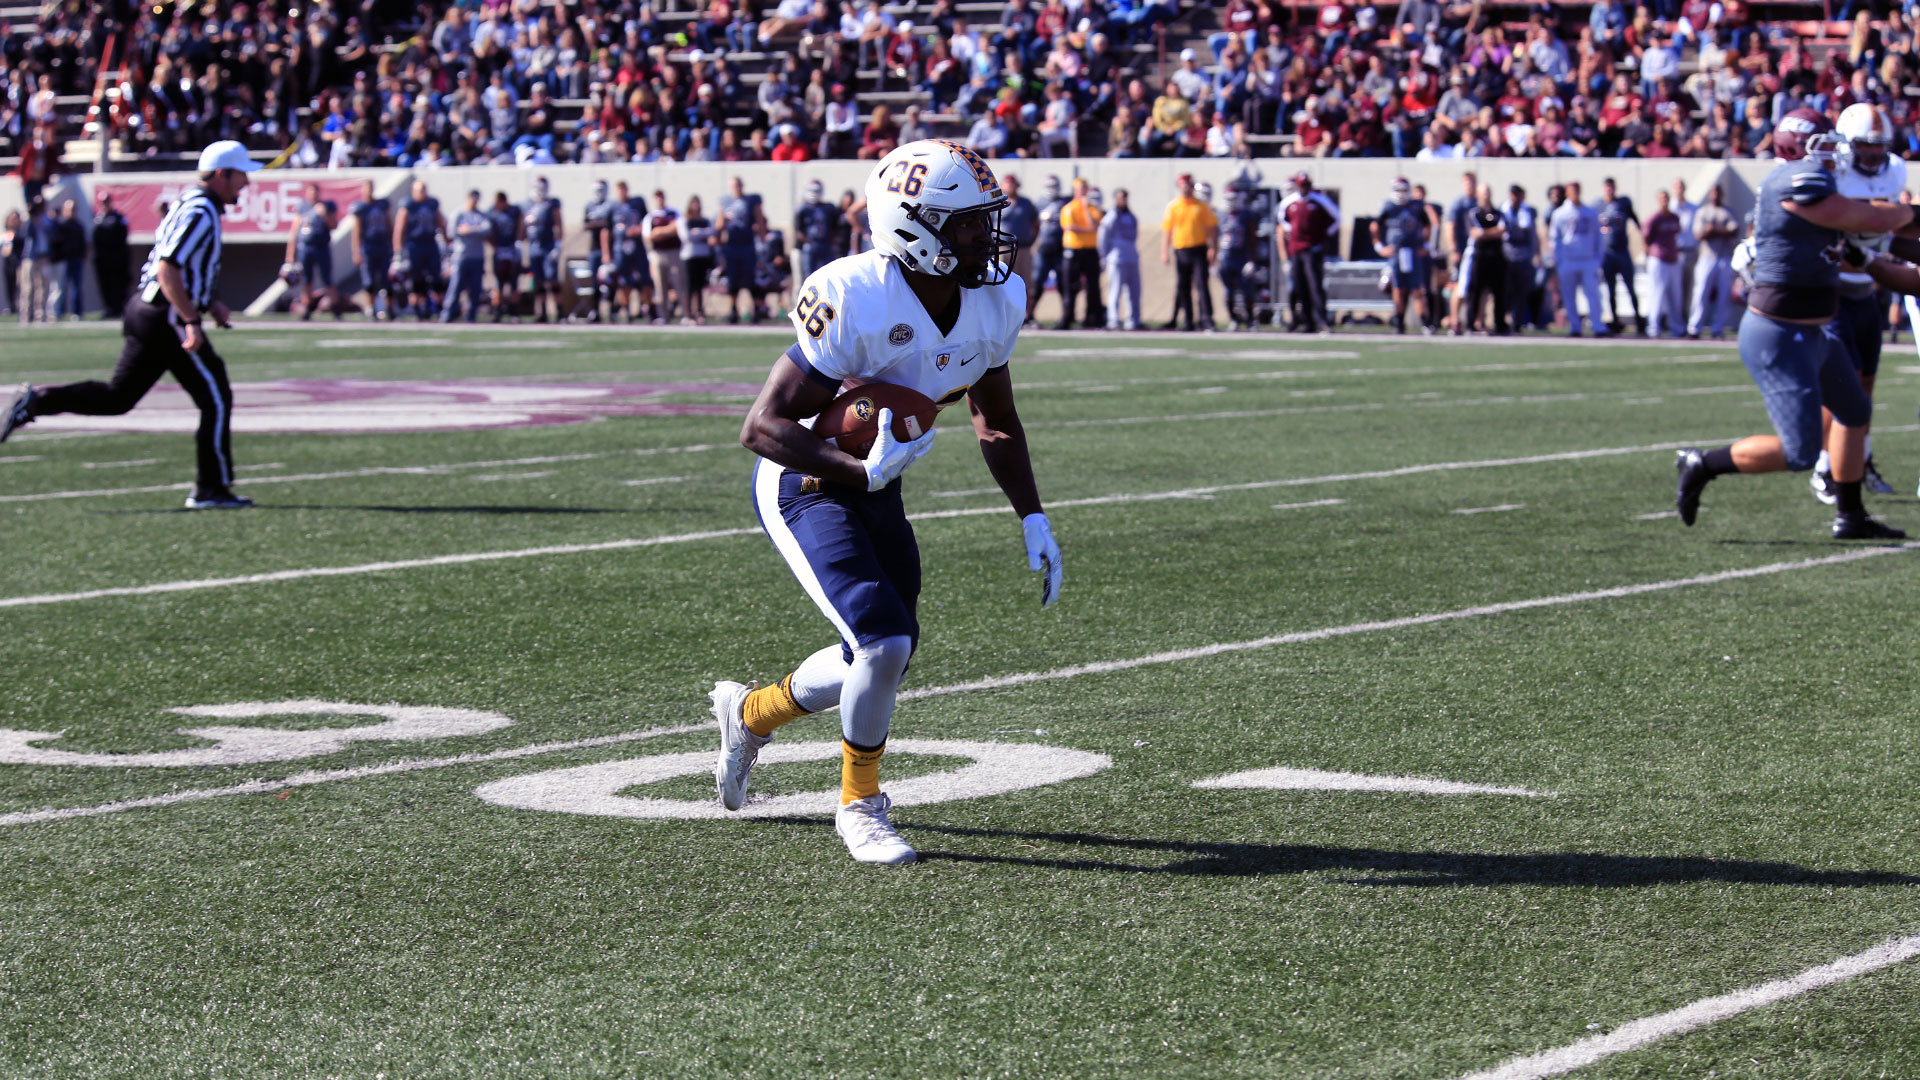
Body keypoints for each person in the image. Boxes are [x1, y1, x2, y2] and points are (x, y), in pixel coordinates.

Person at [712, 139, 1060, 865]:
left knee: (880, 653)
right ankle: (859, 805)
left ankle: (752, 714)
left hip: (876, 479)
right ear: (913, 226)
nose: (982, 236)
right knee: (884, 640)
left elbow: (993, 418)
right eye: (963, 223)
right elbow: (762, 426)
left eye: (983, 219)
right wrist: (857, 471)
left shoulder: (995, 300)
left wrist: (1032, 513)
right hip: (806, 480)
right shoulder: (856, 295)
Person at [1674, 130, 1913, 541]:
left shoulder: (1824, 194)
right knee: (1800, 452)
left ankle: (1851, 515)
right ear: (1793, 149)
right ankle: (1701, 463)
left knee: (1855, 411)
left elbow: (1868, 227)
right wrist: (1906, 216)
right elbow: (1872, 219)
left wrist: (1874, 247)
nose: (1835, 156)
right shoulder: (1793, 181)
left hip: (1815, 334)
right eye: (1821, 146)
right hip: (1780, 334)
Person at [2, 141, 260, 510]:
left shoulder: (192, 203)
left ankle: (36, 401)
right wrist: (191, 320)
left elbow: (177, 266)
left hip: (147, 310)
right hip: (164, 316)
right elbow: (167, 268)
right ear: (222, 175)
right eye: (241, 175)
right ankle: (211, 488)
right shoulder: (201, 211)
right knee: (215, 396)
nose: (246, 184)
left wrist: (209, 302)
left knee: (118, 397)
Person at [1814, 103, 1908, 501]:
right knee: (1842, 385)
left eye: (1878, 146)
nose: (1872, 155)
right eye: (1864, 146)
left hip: (1869, 284)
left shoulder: (1896, 168)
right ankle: (1824, 465)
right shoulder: (1831, 171)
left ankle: (1860, 457)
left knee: (1866, 382)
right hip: (1833, 287)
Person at [1278, 172, 1337, 334]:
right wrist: (1292, 232)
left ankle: (1322, 321)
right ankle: (1307, 322)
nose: (1303, 188)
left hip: (1312, 250)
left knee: (1315, 286)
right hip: (1296, 250)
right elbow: (1282, 220)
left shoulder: (1319, 201)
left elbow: (1336, 218)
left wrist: (1323, 236)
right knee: (1299, 287)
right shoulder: (1289, 202)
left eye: (1306, 185)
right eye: (1300, 185)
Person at [1374, 179, 1431, 336]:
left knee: (1416, 289)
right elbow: (1374, 226)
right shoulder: (1388, 206)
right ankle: (1399, 323)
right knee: (1398, 289)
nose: (1401, 194)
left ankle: (1424, 323)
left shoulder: (1416, 206)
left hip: (1412, 251)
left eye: (1404, 190)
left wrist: (1425, 245)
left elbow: (1428, 224)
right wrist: (1379, 247)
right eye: (1398, 190)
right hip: (1396, 252)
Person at [1550, 181, 1607, 337]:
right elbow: (1555, 239)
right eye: (1571, 191)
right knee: (1569, 296)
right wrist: (1558, 261)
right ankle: (1575, 327)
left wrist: (1597, 260)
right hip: (1568, 259)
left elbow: (1598, 237)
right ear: (1567, 193)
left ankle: (1597, 325)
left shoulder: (1590, 212)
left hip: (1587, 259)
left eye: (1577, 190)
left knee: (1593, 294)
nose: (1575, 193)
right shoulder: (1560, 214)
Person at [1161, 173, 1217, 331]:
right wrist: (1164, 250)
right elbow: (1167, 230)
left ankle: (1206, 318)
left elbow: (1211, 228)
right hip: (1181, 249)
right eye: (1183, 184)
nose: (1186, 187)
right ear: (1179, 186)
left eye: (1189, 184)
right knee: (1183, 286)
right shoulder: (1174, 206)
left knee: (1202, 284)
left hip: (1199, 248)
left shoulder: (1201, 206)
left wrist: (1212, 247)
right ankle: (1188, 319)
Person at [1688, 185, 1740, 341]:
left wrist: (1714, 229)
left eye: (1718, 192)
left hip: (1724, 257)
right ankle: (1694, 327)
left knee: (1724, 294)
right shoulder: (1703, 212)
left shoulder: (1727, 212)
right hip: (1706, 256)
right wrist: (1717, 230)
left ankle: (1718, 328)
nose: (1715, 195)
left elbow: (1734, 230)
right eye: (1713, 192)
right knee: (1701, 292)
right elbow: (1699, 234)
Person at [392, 178, 448, 320]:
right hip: (414, 245)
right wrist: (398, 251)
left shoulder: (432, 204)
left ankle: (439, 308)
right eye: (420, 189)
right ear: (414, 191)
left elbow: (441, 223)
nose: (423, 192)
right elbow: (399, 228)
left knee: (436, 278)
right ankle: (418, 308)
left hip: (430, 243)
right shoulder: (408, 205)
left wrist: (448, 243)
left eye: (424, 189)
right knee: (416, 279)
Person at [284, 183, 338, 320]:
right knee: (306, 280)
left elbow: (334, 225)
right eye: (310, 191)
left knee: (327, 279)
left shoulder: (325, 207)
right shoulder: (302, 208)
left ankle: (336, 308)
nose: (313, 194)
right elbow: (294, 231)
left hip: (321, 247)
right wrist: (290, 254)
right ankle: (307, 308)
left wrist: (324, 214)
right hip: (306, 247)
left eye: (315, 191)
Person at [1597, 177, 1644, 335]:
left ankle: (1639, 320)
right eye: (1607, 187)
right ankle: (1615, 321)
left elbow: (1635, 219)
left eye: (1611, 187)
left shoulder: (1623, 203)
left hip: (1622, 250)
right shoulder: (1597, 205)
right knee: (1611, 289)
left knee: (1630, 287)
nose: (1609, 190)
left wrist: (1644, 237)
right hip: (1607, 252)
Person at [1460, 184, 1507, 335]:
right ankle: (1470, 323)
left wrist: (1486, 233)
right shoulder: (1474, 213)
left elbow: (1503, 230)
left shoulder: (1498, 213)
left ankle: (1500, 324)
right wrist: (1493, 232)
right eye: (1483, 192)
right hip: (1480, 256)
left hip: (1497, 256)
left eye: (1488, 191)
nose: (1486, 194)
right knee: (1475, 290)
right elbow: (1476, 233)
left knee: (1499, 291)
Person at [1216, 179, 1262, 332]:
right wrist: (1214, 260)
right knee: (1228, 292)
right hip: (1225, 257)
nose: (1231, 202)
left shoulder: (1246, 215)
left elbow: (1252, 239)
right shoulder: (1219, 215)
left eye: (1234, 198)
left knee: (1247, 291)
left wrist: (1252, 260)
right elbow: (1214, 237)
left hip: (1242, 257)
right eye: (1228, 199)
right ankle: (1234, 319)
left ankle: (1250, 320)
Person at [718, 175, 765, 323]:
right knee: (733, 279)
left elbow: (760, 219)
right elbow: (719, 224)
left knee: (750, 278)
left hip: (747, 244)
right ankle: (733, 310)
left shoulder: (751, 200)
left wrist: (762, 241)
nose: (736, 188)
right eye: (733, 185)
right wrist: (719, 236)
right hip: (732, 245)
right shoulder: (725, 201)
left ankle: (756, 309)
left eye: (738, 185)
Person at [606, 180, 655, 323]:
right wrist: (606, 252)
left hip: (638, 247)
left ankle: (648, 308)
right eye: (619, 189)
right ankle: (625, 308)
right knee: (623, 280)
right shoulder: (613, 207)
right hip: (620, 248)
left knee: (645, 279)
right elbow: (607, 230)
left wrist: (639, 230)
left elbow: (647, 221)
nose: (622, 192)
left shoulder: (638, 202)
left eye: (624, 189)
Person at [1057, 177, 1102, 330]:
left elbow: (1094, 225)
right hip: (1073, 249)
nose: (1083, 192)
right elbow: (1070, 227)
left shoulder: (1093, 208)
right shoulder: (1069, 208)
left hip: (1090, 250)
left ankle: (1092, 318)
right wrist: (1087, 229)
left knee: (1093, 286)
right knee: (1070, 286)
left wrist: (1085, 208)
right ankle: (1067, 318)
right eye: (1080, 188)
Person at [347, 180, 395, 321]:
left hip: (382, 246)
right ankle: (372, 309)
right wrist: (356, 251)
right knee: (369, 281)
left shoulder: (381, 205)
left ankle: (389, 309)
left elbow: (389, 225)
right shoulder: (360, 208)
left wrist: (392, 245)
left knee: (386, 280)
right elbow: (356, 231)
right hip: (368, 247)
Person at [1642, 189, 1685, 338]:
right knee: (1657, 294)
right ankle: (1654, 327)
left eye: (1666, 198)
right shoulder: (1655, 218)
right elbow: (1646, 237)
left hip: (1673, 259)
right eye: (1661, 198)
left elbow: (1678, 235)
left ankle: (1677, 327)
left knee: (1675, 296)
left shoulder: (1674, 217)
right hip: (1659, 259)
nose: (1664, 201)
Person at [442, 189, 490, 323]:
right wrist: (476, 230)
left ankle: (471, 314)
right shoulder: (459, 213)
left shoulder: (481, 215)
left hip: (477, 256)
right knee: (456, 286)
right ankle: (448, 313)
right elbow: (452, 232)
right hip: (461, 256)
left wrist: (469, 230)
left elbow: (487, 229)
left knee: (475, 288)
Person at [522, 177, 565, 323]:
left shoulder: (552, 203)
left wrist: (558, 243)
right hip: (534, 246)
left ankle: (560, 313)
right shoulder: (527, 204)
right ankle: (543, 313)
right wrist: (520, 243)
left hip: (548, 246)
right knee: (538, 281)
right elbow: (522, 227)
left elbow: (558, 223)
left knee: (552, 280)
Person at [1099, 187, 1142, 330]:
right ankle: (1113, 320)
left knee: (1134, 291)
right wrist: (1103, 256)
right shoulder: (1111, 216)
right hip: (1116, 258)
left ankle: (1133, 320)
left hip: (1131, 257)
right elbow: (1103, 236)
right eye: (1120, 197)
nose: (1123, 200)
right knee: (1115, 289)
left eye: (1125, 197)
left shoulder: (1131, 216)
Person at [1500, 185, 1540, 334]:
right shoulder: (1502, 210)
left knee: (1521, 291)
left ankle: (1517, 322)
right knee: (1507, 291)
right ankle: (1504, 320)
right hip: (1507, 256)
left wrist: (1536, 253)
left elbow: (1533, 234)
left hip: (1523, 256)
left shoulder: (1528, 212)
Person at [1031, 175, 1068, 327]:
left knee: (1063, 284)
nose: (1052, 189)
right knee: (1037, 283)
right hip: (1043, 249)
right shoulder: (1039, 203)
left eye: (1054, 185)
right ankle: (1029, 315)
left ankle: (1066, 318)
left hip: (1060, 248)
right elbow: (1033, 225)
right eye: (1049, 186)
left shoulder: (1065, 202)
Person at [646, 190, 687, 324]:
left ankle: (685, 314)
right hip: (658, 253)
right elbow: (648, 236)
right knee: (660, 286)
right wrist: (667, 231)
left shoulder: (673, 213)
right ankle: (664, 315)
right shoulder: (651, 217)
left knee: (679, 283)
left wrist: (660, 231)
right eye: (657, 198)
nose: (659, 200)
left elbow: (678, 228)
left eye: (661, 197)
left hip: (674, 252)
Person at [581, 180, 617, 322]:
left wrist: (597, 224)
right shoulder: (589, 206)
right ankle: (595, 310)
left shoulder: (611, 206)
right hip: (594, 248)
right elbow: (585, 225)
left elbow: (609, 225)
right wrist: (600, 223)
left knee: (610, 281)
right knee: (595, 282)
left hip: (610, 249)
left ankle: (612, 311)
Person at [795, 179, 840, 285]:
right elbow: (798, 229)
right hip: (810, 244)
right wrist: (807, 240)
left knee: (830, 272)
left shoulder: (828, 207)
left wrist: (831, 239)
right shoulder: (802, 208)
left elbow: (835, 225)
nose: (814, 194)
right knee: (808, 275)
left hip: (825, 243)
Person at [487, 192, 523, 323]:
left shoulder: (514, 211)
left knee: (514, 283)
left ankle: (514, 312)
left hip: (512, 249)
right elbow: (489, 233)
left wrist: (518, 242)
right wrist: (496, 247)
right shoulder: (492, 213)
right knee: (498, 283)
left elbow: (521, 226)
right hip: (500, 250)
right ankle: (497, 311)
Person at [92, 195, 130, 318]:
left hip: (117, 258)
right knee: (105, 285)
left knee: (118, 284)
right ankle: (109, 308)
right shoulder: (98, 219)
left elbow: (123, 235)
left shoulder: (118, 217)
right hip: (103, 259)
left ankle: (119, 308)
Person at [49, 200, 87, 320]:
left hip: (76, 259)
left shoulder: (79, 225)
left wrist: (82, 255)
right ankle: (59, 311)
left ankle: (76, 311)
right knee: (60, 287)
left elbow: (83, 243)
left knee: (76, 287)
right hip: (64, 260)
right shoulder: (61, 225)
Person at [682, 195, 716, 326]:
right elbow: (686, 236)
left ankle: (700, 313)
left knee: (700, 286)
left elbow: (711, 232)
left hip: (703, 255)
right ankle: (688, 314)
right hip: (689, 256)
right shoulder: (685, 220)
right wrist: (701, 233)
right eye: (693, 203)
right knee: (690, 286)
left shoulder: (705, 220)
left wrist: (697, 232)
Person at [1671, 178, 1700, 328]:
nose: (1679, 190)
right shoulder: (1670, 208)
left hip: (1689, 252)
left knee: (1688, 289)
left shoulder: (1693, 209)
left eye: (1681, 187)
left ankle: (1685, 319)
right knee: (1675, 290)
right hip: (1673, 253)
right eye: (1677, 187)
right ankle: (1674, 321)